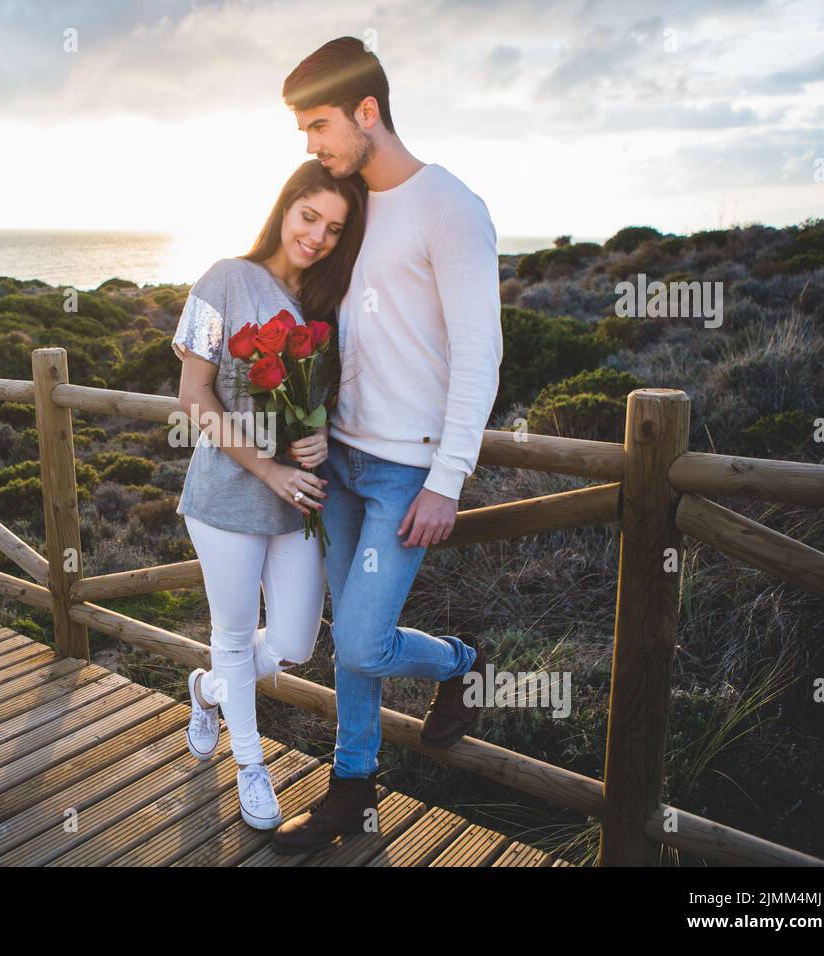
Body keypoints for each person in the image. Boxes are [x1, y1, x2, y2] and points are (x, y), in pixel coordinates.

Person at [270, 38, 504, 854]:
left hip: (408, 470)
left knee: (365, 640)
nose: (312, 146)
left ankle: (461, 660)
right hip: (339, 461)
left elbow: (480, 353)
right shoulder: (352, 208)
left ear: (368, 112)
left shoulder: (451, 205)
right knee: (349, 645)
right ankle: (351, 788)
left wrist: (449, 478)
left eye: (320, 125)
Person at [171, 158, 367, 830]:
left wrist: (317, 440)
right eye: (309, 216)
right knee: (231, 633)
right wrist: (269, 467)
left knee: (296, 642)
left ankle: (206, 689)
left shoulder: (325, 307)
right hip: (228, 493)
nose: (316, 235)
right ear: (285, 208)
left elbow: (319, 404)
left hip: (297, 500)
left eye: (334, 228)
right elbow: (193, 395)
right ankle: (250, 765)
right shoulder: (225, 278)